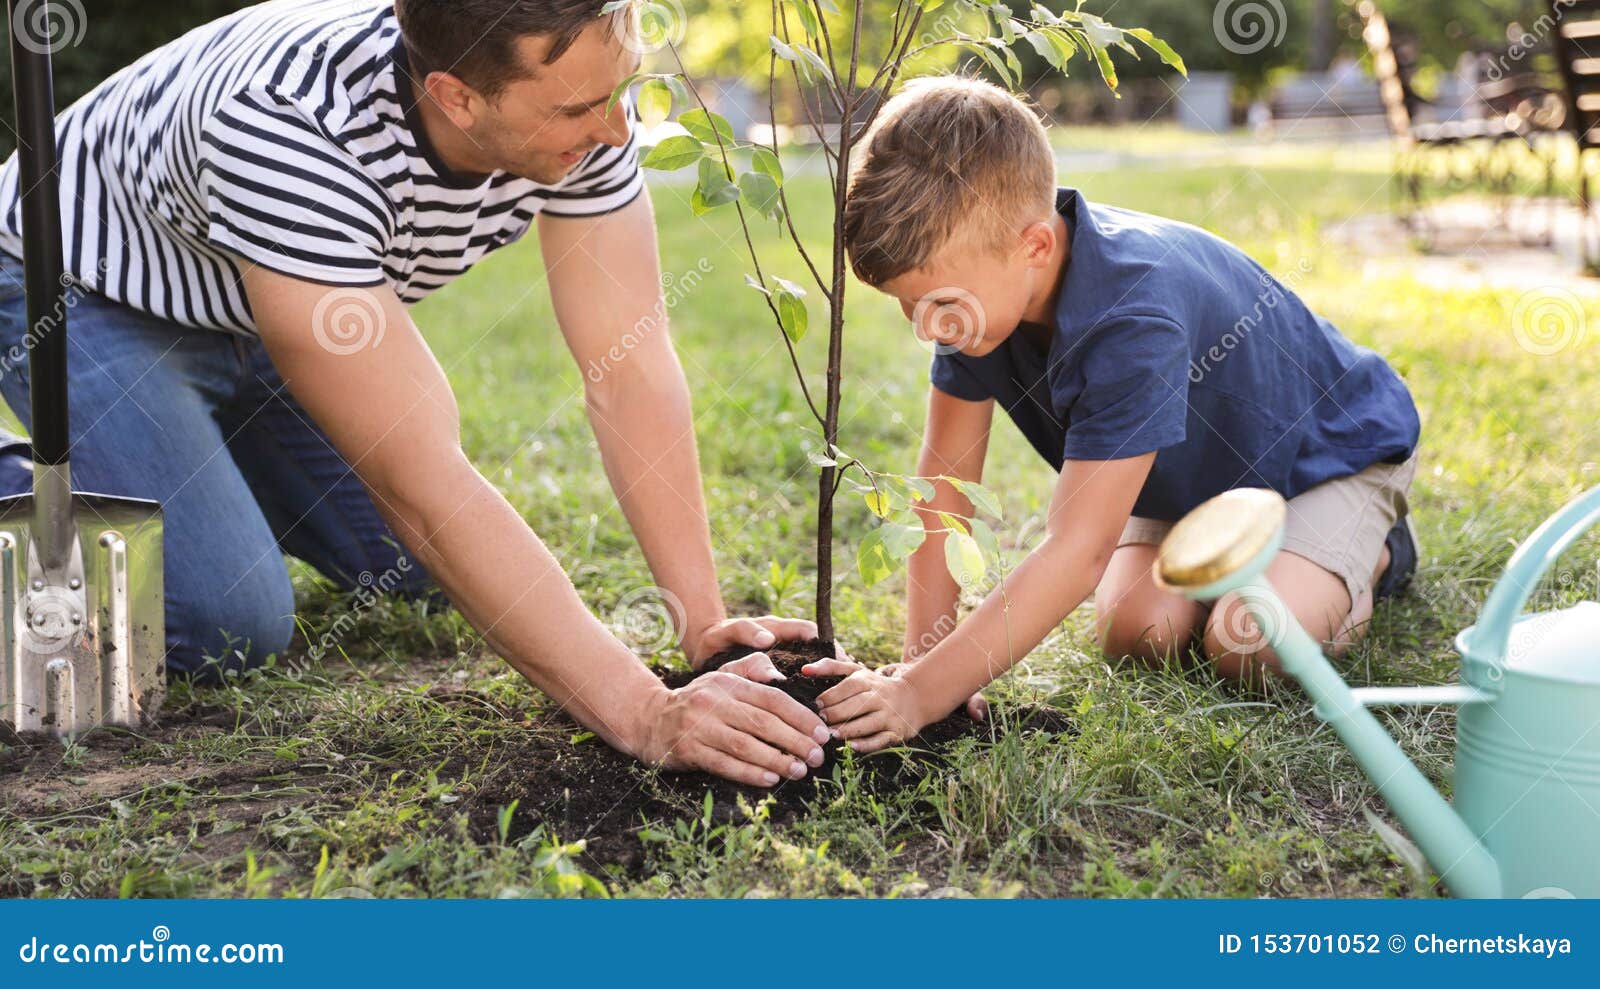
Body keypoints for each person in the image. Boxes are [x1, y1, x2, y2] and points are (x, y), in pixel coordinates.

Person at [0, 0, 831, 787]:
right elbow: (421, 486)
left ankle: (190, 459)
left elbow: (631, 365)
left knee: (419, 571)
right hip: (78, 290)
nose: (618, 130)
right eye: (581, 110)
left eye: (622, 92)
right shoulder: (290, 130)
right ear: (456, 97)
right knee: (227, 620)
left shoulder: (583, 97)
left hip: (269, 303)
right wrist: (648, 714)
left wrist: (701, 624)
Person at [805, 77, 1420, 753]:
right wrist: (927, 658)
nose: (927, 329)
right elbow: (945, 489)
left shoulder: (1133, 317)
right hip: (1189, 483)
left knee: (1249, 645)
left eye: (939, 304)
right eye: (907, 305)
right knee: (1140, 633)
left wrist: (922, 694)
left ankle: (1374, 556)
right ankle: (1248, 564)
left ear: (1035, 246)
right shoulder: (970, 307)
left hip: (1326, 456)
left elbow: (1079, 550)